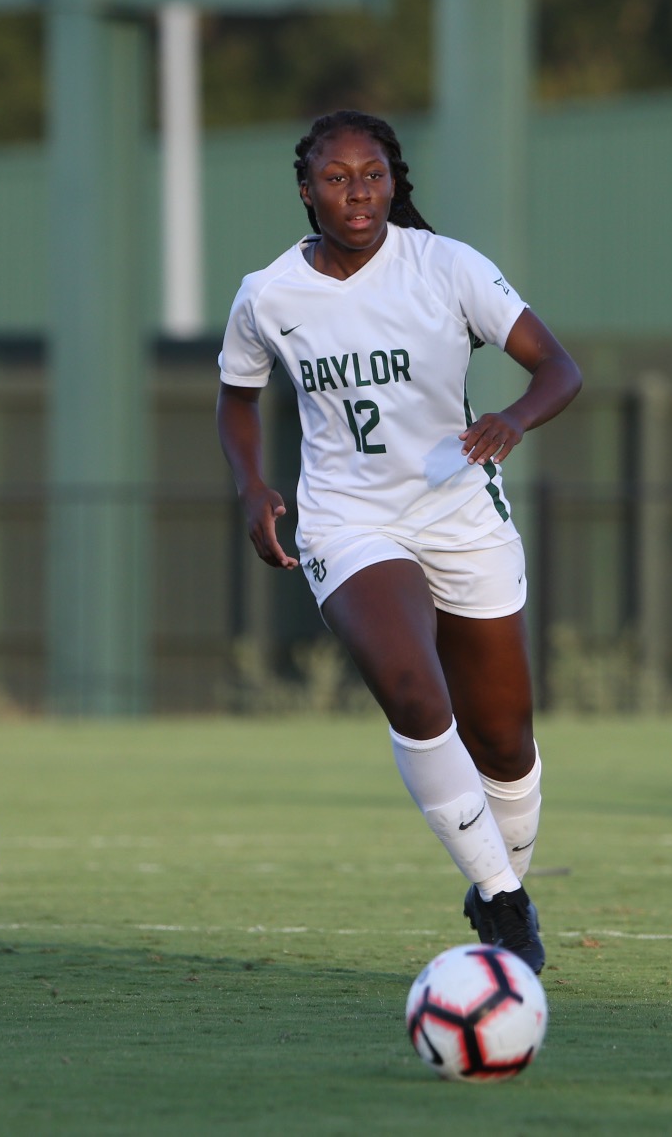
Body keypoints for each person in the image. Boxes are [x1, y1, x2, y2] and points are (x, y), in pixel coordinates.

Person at [215, 111, 583, 972]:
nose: (358, 193)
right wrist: (252, 485)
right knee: (416, 692)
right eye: (337, 178)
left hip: (459, 510)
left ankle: (496, 882)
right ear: (306, 190)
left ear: (393, 180)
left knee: (504, 738)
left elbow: (559, 366)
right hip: (348, 519)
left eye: (372, 175)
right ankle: (508, 905)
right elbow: (236, 398)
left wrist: (513, 418)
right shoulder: (268, 293)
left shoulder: (446, 265)